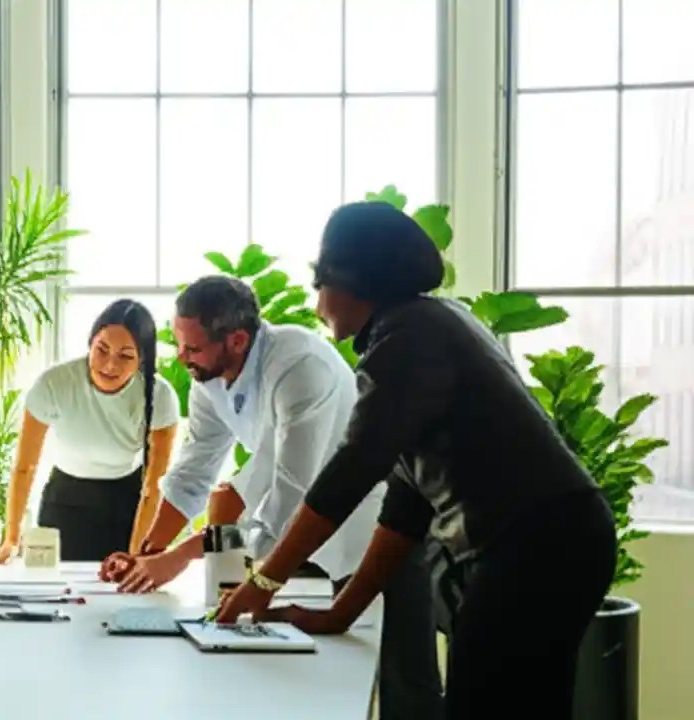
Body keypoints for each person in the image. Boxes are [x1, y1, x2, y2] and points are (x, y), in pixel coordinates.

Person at [214, 201, 616, 720]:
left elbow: (351, 472)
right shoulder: (430, 323)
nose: (317, 305)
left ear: (354, 282)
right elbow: (406, 503)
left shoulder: (407, 339)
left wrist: (264, 581)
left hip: (534, 546)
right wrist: (341, 613)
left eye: (320, 285)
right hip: (561, 539)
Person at [101, 275, 444, 720]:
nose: (181, 357)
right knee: (309, 689)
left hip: (376, 537)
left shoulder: (300, 366)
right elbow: (193, 471)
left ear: (238, 339)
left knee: (407, 686)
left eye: (192, 348)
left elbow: (288, 498)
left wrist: (182, 557)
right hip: (298, 553)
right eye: (179, 344)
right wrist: (150, 555)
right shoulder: (209, 376)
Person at [0, 299, 180, 563]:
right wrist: (10, 541)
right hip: (65, 499)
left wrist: (136, 556)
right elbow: (25, 467)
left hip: (128, 503)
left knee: (123, 592)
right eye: (101, 350)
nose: (109, 365)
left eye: (125, 356)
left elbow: (153, 487)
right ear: (90, 343)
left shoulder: (159, 396)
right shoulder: (54, 383)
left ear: (142, 359)